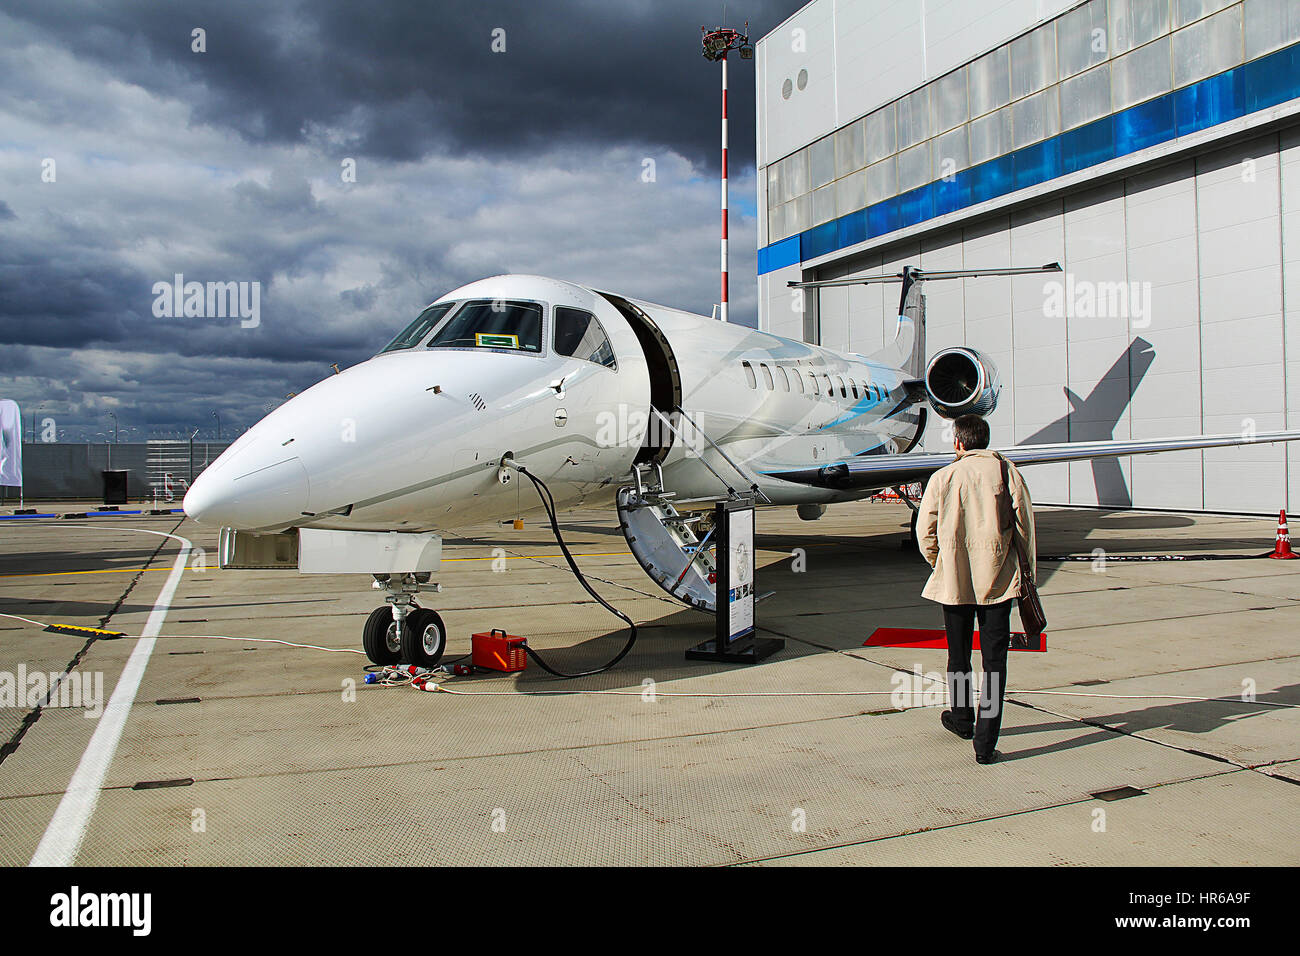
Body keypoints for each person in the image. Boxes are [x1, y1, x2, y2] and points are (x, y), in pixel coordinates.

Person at [915, 414, 1036, 764]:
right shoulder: (1006, 472)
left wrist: (941, 563)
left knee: (958, 655)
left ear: (958, 442)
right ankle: (985, 743)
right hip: (997, 582)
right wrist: (1026, 570)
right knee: (995, 662)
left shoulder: (943, 477)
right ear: (984, 440)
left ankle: (962, 717)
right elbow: (1025, 526)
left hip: (954, 583)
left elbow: (926, 532)